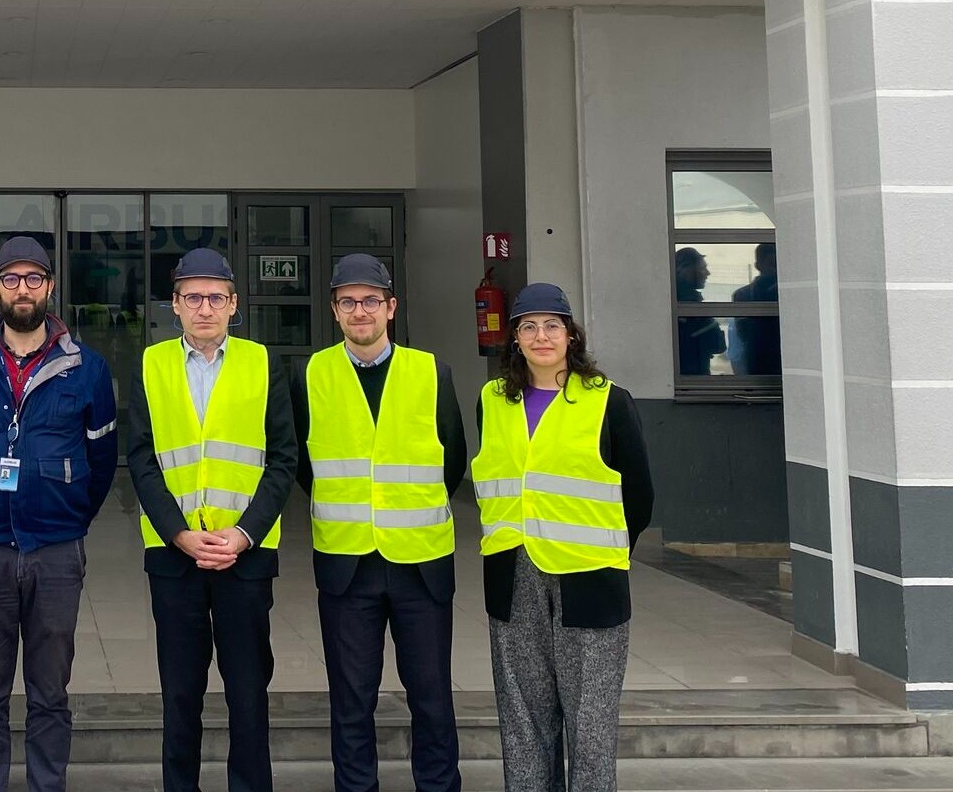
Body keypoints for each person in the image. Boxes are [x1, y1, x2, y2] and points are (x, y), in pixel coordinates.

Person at [0, 237, 119, 792]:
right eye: (12, 280)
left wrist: (67, 516)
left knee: (50, 693)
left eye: (33, 279)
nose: (23, 290)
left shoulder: (86, 368)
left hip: (56, 551)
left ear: (49, 287)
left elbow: (102, 460)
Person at [295, 253, 468, 792]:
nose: (360, 311)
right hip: (347, 566)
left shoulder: (429, 370)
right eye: (348, 302)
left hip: (421, 565)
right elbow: (302, 464)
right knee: (351, 701)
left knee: (432, 698)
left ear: (391, 308)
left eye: (371, 301)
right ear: (334, 310)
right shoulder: (310, 373)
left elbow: (454, 459)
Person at [474, 283, 655, 792]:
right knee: (524, 718)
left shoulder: (608, 401)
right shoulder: (493, 400)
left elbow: (639, 496)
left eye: (552, 325)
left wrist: (606, 550)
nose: (541, 336)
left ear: (571, 334)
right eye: (528, 326)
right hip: (512, 572)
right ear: (514, 338)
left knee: (590, 722)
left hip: (590, 579)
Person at [128, 248, 297, 792]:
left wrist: (244, 535)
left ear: (234, 305)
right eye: (193, 297)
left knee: (248, 693)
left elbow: (283, 458)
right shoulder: (151, 363)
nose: (205, 308)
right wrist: (177, 533)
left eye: (216, 298)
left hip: (243, 558)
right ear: (174, 305)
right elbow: (141, 457)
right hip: (174, 558)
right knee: (180, 694)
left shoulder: (262, 362)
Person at [730, 242, 781, 375]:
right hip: (759, 360)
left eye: (778, 264)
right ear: (759, 266)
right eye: (772, 264)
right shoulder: (743, 295)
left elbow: (743, 334)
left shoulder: (742, 294)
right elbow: (744, 333)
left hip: (756, 359)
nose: (776, 270)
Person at [672, 247, 725, 375]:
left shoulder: (672, 299)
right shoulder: (690, 304)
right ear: (684, 269)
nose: (707, 273)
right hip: (693, 376)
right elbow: (717, 344)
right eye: (702, 268)